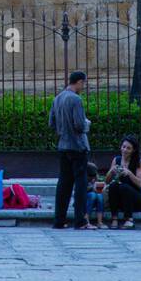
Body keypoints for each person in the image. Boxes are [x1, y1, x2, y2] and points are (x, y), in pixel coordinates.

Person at [49, 70, 92, 230]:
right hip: (78, 146)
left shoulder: (57, 98)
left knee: (63, 184)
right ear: (79, 82)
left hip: (63, 145)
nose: (84, 86)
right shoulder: (76, 99)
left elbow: (51, 123)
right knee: (80, 184)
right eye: (84, 83)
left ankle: (59, 220)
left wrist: (62, 130)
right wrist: (88, 124)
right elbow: (80, 125)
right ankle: (80, 220)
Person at [105, 135, 141, 229]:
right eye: (123, 147)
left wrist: (129, 173)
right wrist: (111, 171)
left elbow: (140, 184)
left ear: (133, 150)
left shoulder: (139, 162)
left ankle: (129, 220)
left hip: (137, 200)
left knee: (124, 187)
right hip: (122, 201)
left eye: (128, 148)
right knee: (113, 186)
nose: (124, 150)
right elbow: (107, 181)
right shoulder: (117, 160)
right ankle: (114, 218)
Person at [86, 162, 105, 230]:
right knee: (92, 195)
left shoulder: (95, 178)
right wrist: (91, 188)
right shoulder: (82, 178)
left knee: (99, 196)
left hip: (94, 200)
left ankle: (100, 222)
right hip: (84, 200)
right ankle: (86, 221)